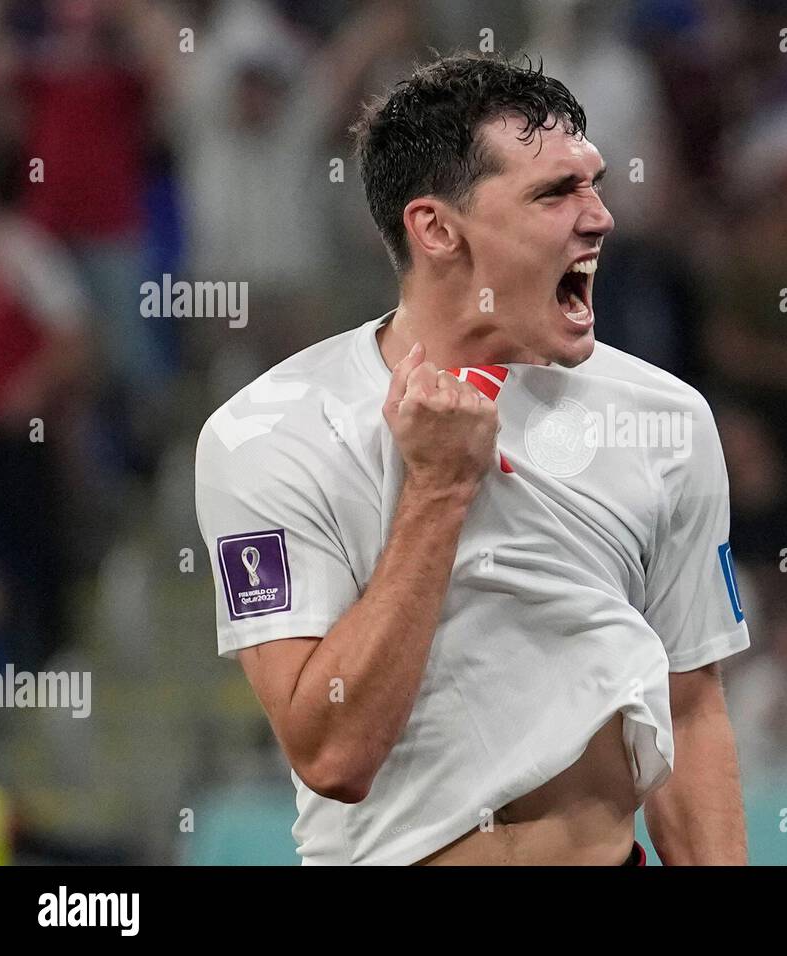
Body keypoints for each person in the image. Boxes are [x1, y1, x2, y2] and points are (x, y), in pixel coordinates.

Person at [194, 53, 751, 866]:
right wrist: (438, 490)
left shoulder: (665, 419)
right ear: (437, 229)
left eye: (592, 183)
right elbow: (332, 755)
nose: (599, 217)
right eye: (555, 193)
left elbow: (691, 706)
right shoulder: (268, 435)